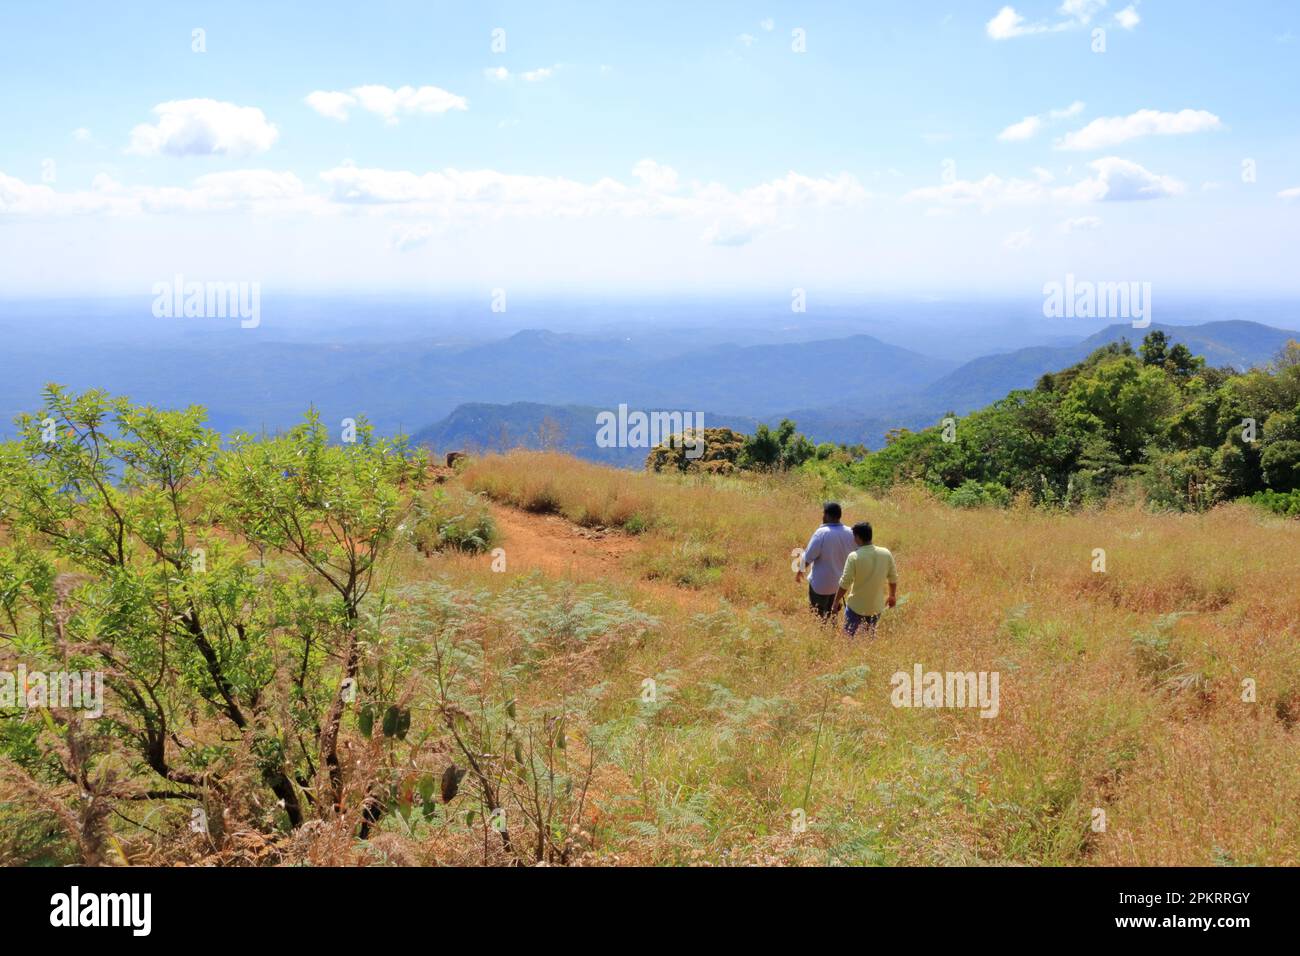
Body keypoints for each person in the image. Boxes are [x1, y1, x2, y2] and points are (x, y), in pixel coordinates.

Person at [831, 521, 897, 639]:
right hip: (876, 607)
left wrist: (836, 602)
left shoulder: (854, 556)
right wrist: (892, 596)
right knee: (868, 638)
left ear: (857, 537)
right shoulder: (886, 553)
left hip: (855, 607)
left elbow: (845, 583)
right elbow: (893, 577)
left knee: (847, 637)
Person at [795, 502, 856, 620]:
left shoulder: (821, 533)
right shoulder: (851, 533)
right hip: (840, 585)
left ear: (827, 515)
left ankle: (821, 634)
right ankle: (831, 633)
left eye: (823, 514)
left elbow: (808, 556)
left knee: (818, 616)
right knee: (832, 612)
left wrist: (799, 571)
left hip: (820, 585)